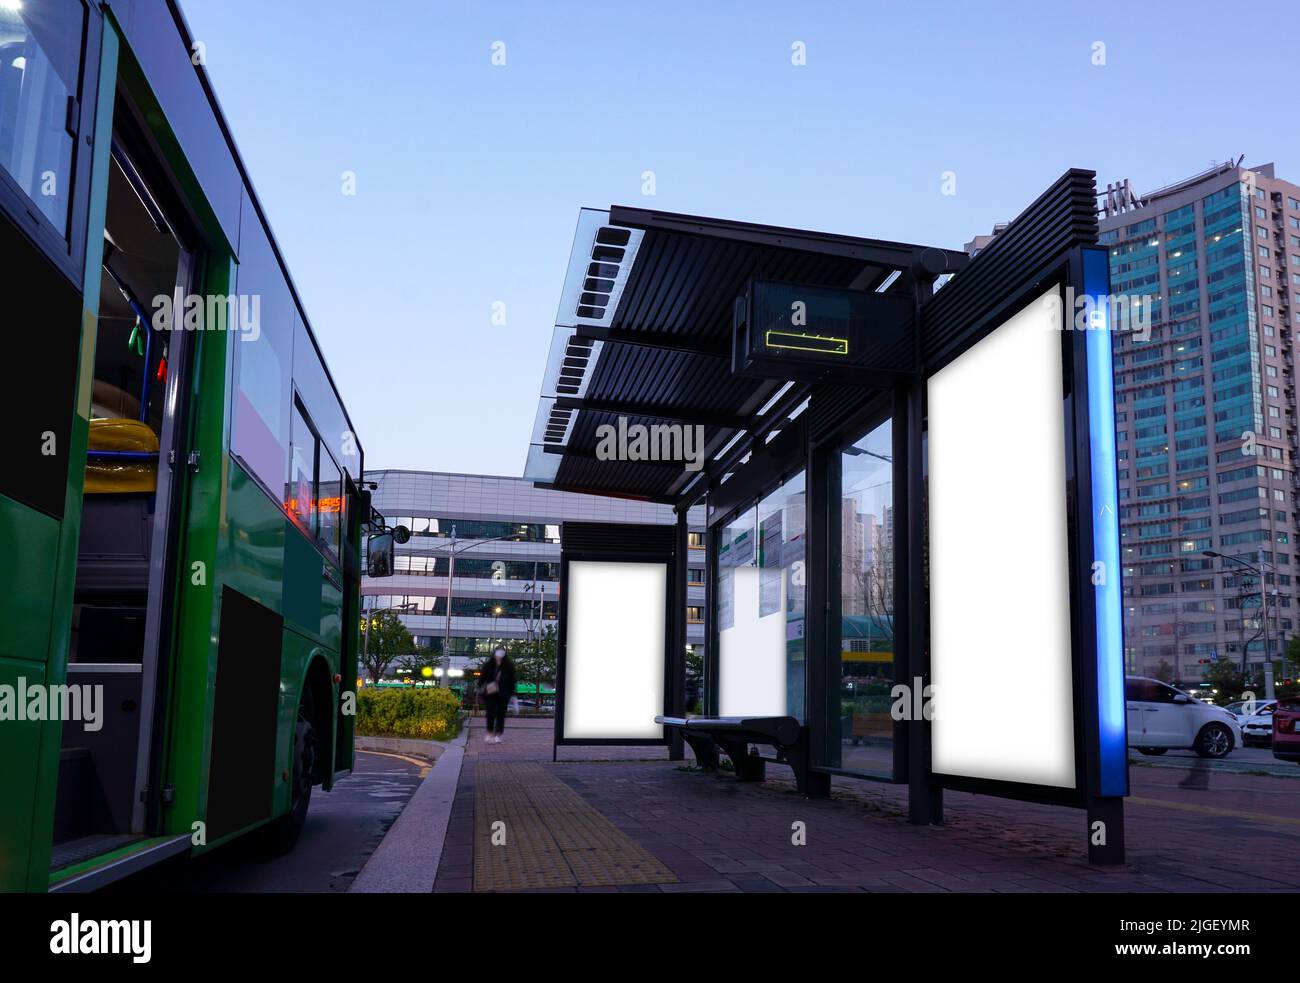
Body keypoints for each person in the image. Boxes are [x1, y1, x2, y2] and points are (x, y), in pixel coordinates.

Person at [479, 646, 516, 743]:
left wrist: (512, 694)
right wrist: (480, 686)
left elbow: (512, 680)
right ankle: (489, 732)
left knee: (501, 714)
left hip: (503, 694)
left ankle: (499, 733)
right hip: (491, 692)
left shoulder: (508, 666)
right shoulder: (489, 665)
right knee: (490, 713)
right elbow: (483, 677)